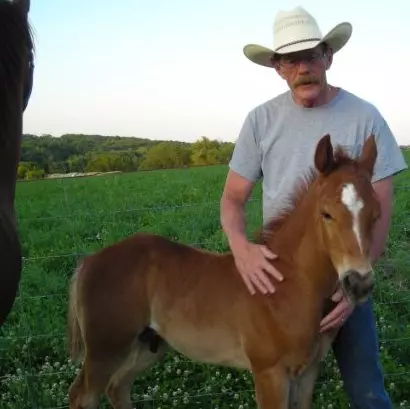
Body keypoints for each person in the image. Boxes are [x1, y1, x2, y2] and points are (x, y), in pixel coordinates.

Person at [220, 6, 408, 409]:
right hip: (280, 280)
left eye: (311, 55)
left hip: (348, 272)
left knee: (367, 391)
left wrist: (355, 289)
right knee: (284, 385)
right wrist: (240, 248)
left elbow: (379, 209)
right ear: (278, 68)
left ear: (328, 57)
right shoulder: (261, 121)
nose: (303, 67)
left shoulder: (365, 118)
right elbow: (233, 199)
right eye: (292, 59)